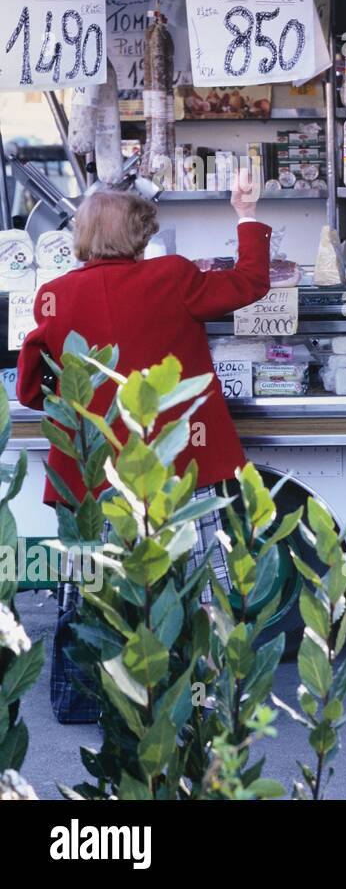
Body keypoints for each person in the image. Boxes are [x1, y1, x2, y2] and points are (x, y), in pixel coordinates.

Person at [17, 183, 270, 720]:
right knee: (198, 587)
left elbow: (31, 388)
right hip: (177, 464)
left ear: (83, 235)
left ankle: (110, 702)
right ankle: (202, 697)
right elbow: (249, 283)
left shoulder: (56, 294)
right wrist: (245, 214)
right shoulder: (173, 276)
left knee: (103, 591)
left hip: (96, 472)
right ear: (139, 233)